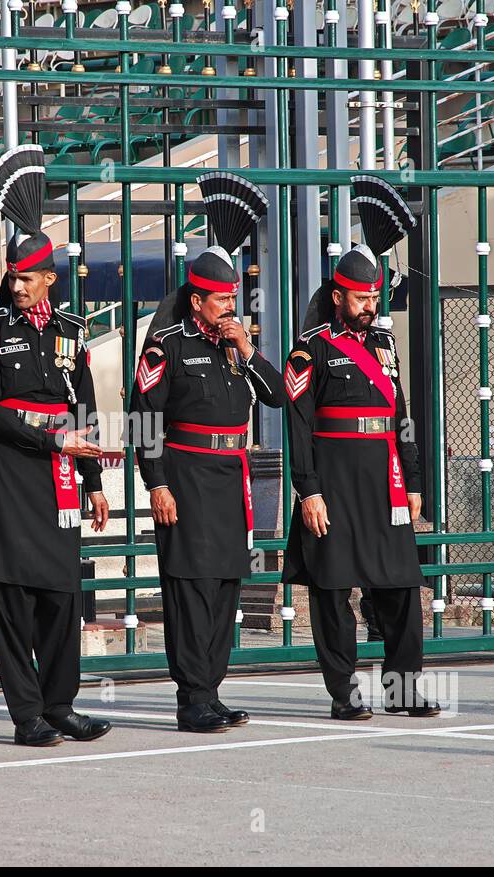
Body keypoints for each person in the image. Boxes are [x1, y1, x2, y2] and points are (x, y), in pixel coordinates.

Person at [0, 144, 112, 747]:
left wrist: (97, 482)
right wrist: (53, 439)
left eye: (26, 277)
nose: (15, 285)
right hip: (6, 475)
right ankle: (25, 713)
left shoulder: (74, 332)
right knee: (10, 597)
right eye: (11, 276)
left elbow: (87, 408)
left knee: (61, 593)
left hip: (61, 480)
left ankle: (60, 705)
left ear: (49, 277)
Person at [130, 172, 283, 732]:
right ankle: (191, 695)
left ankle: (212, 689)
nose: (229, 306)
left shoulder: (235, 345)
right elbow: (142, 417)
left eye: (232, 299)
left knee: (224, 584)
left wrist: (247, 349)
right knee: (190, 588)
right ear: (197, 299)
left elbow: (278, 397)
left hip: (230, 476)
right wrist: (157, 484)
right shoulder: (167, 346)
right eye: (220, 300)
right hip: (187, 476)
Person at [282, 242, 439, 719]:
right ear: (337, 296)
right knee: (332, 590)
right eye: (360, 299)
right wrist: (308, 491)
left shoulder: (386, 345)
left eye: (375, 298)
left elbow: (402, 419)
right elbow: (299, 425)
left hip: (384, 480)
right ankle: (343, 693)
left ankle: (403, 689)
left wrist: (413, 482)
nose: (370, 307)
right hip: (334, 483)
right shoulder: (310, 348)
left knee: (401, 587)